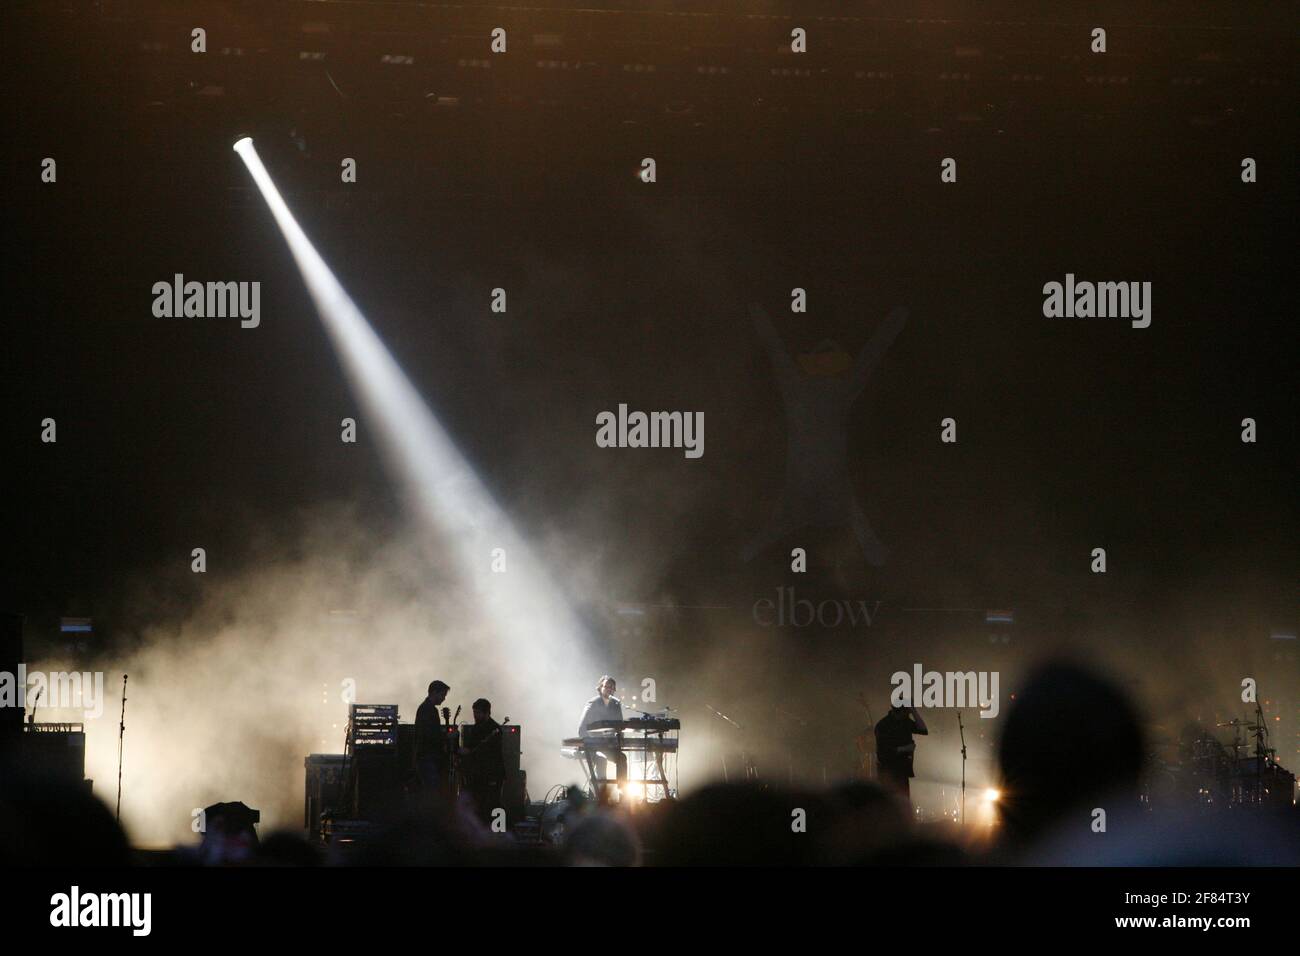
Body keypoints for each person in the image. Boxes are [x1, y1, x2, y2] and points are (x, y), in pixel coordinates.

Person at [459, 698, 506, 824]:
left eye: (478, 713)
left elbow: (489, 753)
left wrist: (469, 751)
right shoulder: (476, 728)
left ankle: (498, 832)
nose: (475, 715)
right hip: (479, 774)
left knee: (494, 804)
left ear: (487, 713)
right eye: (474, 712)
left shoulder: (495, 729)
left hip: (492, 774)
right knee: (479, 804)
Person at [578, 675, 627, 794]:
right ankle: (600, 794)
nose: (609, 689)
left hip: (607, 746)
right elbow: (581, 729)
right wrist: (592, 742)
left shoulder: (615, 705)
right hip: (592, 747)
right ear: (600, 688)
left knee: (622, 758)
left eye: (612, 688)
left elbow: (619, 727)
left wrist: (619, 738)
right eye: (607, 686)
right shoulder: (593, 703)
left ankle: (622, 792)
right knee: (601, 759)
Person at [874, 704, 928, 801]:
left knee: (903, 803)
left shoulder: (905, 722)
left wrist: (914, 711)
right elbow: (882, 753)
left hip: (902, 771)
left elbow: (923, 730)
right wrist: (904, 749)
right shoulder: (883, 725)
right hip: (888, 773)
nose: (908, 714)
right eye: (907, 711)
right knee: (889, 805)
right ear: (901, 711)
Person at [414, 680, 451, 793]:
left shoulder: (425, 708)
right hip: (428, 757)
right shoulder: (428, 710)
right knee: (432, 791)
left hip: (426, 757)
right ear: (434, 692)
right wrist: (447, 736)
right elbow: (431, 735)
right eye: (443, 694)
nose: (444, 698)